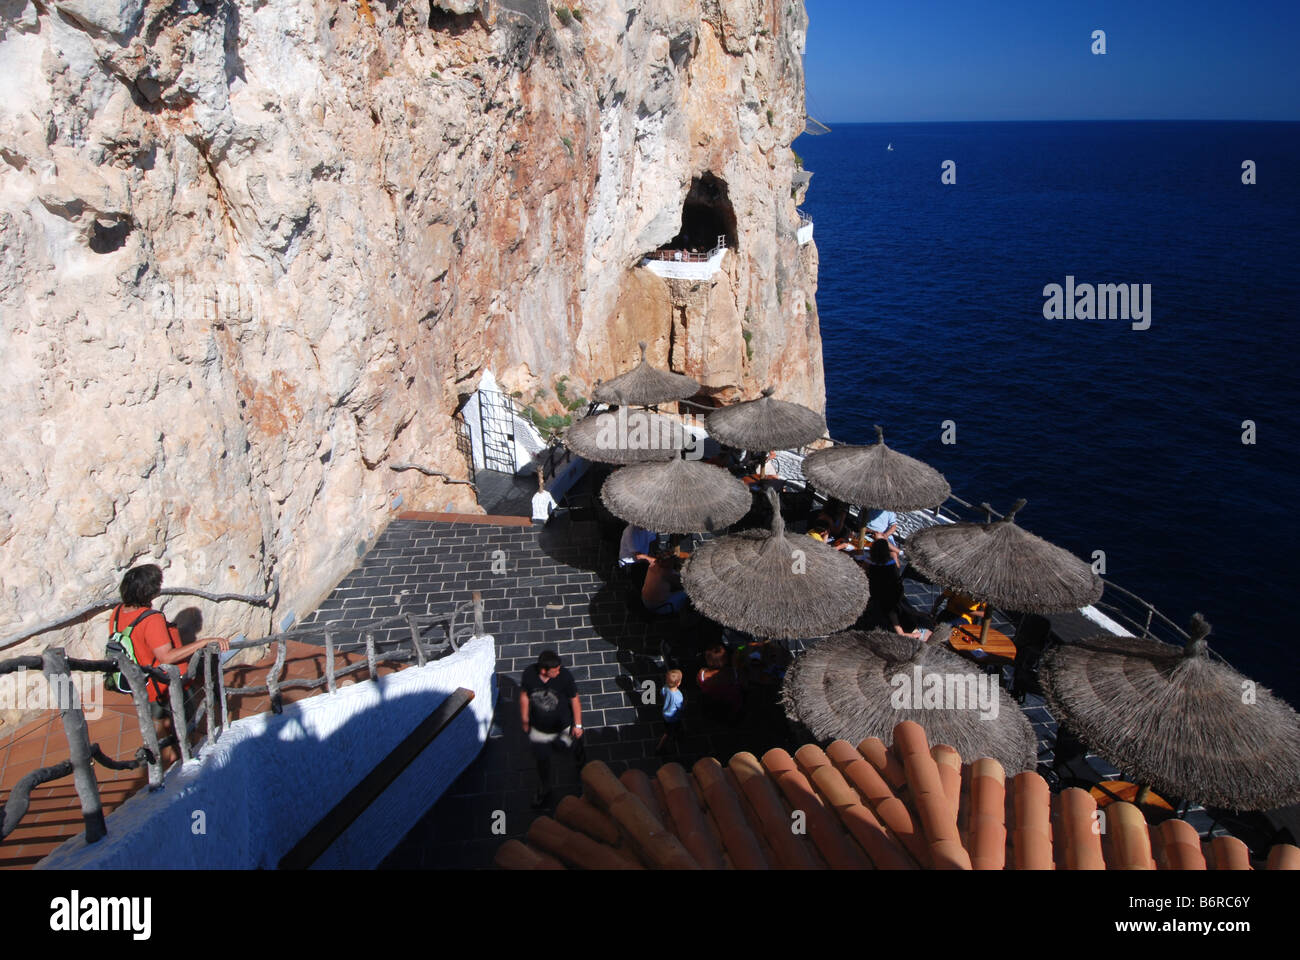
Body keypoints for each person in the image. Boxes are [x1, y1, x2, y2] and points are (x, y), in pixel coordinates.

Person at [109, 564, 231, 763]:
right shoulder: (151, 619)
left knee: (168, 727)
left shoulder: (117, 613)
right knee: (184, 726)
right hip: (164, 685)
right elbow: (166, 656)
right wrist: (203, 642)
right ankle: (186, 764)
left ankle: (174, 760)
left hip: (141, 683)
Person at [519, 650, 584, 807]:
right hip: (539, 729)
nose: (558, 671)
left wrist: (578, 725)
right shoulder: (529, 675)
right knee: (541, 760)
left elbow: (575, 700)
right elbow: (524, 696)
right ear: (543, 670)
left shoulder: (565, 677)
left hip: (563, 726)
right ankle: (545, 787)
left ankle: (581, 763)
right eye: (555, 670)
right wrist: (525, 719)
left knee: (574, 747)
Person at [862, 540, 928, 641]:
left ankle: (903, 632)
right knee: (897, 612)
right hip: (894, 590)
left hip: (880, 593)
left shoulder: (870, 563)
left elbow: (866, 573)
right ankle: (912, 632)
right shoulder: (891, 561)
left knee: (893, 613)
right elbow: (897, 566)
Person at [697, 641, 743, 722]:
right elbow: (743, 684)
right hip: (732, 709)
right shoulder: (735, 673)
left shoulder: (702, 674)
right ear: (725, 659)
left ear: (708, 660)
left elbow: (699, 685)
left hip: (711, 709)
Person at [642, 548, 688, 614]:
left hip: (645, 600)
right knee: (686, 592)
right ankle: (683, 612)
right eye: (672, 560)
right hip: (657, 606)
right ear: (668, 561)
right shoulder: (666, 573)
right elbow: (681, 585)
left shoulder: (652, 564)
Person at [656, 668, 685, 755]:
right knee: (668, 732)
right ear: (678, 683)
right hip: (673, 717)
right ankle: (659, 748)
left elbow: (662, 694)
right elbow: (680, 707)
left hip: (665, 713)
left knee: (670, 727)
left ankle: (676, 732)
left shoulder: (665, 688)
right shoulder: (678, 696)